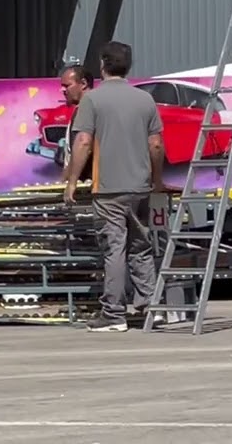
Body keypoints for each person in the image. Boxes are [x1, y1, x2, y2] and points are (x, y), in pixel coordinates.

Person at [65, 41, 163, 333]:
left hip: (108, 188)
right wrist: (156, 180)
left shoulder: (92, 100)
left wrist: (71, 180)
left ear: (102, 65)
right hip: (140, 187)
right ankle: (150, 307)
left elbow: (83, 141)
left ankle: (114, 314)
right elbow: (155, 144)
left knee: (114, 249)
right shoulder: (145, 100)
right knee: (141, 247)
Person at [59, 64, 94, 177]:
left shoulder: (86, 110)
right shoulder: (83, 109)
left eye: (67, 85)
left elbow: (82, 147)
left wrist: (68, 182)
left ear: (83, 84)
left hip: (83, 186)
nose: (63, 90)